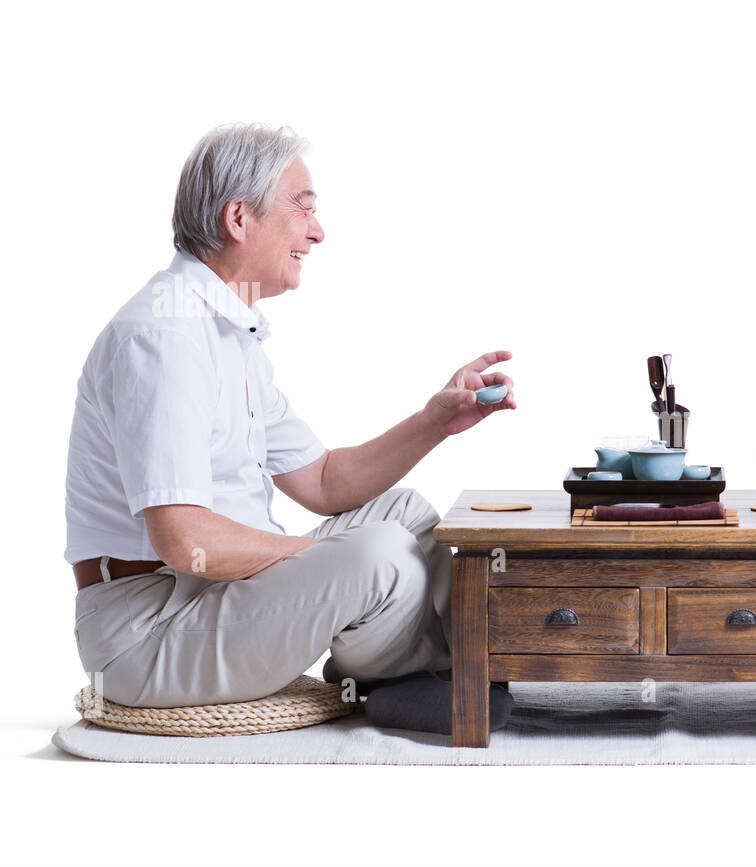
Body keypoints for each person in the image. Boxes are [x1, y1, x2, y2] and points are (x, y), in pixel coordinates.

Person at [65, 123, 513, 734]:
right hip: (148, 632)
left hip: (211, 596)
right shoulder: (164, 338)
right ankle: (395, 682)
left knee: (402, 513)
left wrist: (435, 420)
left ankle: (424, 673)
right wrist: (329, 557)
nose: (318, 231)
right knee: (379, 554)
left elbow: (326, 482)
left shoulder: (227, 333)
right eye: (302, 208)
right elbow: (183, 540)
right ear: (238, 218)